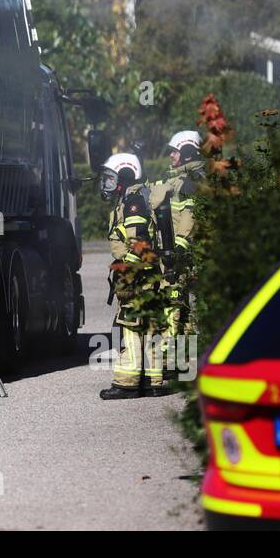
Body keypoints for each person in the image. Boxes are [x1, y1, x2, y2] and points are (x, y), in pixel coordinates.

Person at [98, 153, 167, 399]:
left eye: (110, 179)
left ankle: (126, 384)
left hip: (139, 277)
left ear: (124, 176)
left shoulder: (133, 202)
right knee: (148, 327)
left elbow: (139, 243)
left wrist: (127, 274)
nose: (106, 185)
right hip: (147, 277)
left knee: (130, 327)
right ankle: (152, 382)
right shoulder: (134, 198)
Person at [149, 130, 205, 379]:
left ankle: (183, 366)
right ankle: (184, 365)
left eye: (175, 151)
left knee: (181, 309)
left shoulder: (192, 181)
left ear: (187, 153)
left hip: (186, 259)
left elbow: (189, 218)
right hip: (179, 256)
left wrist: (178, 249)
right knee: (180, 309)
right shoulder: (181, 180)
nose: (170, 155)